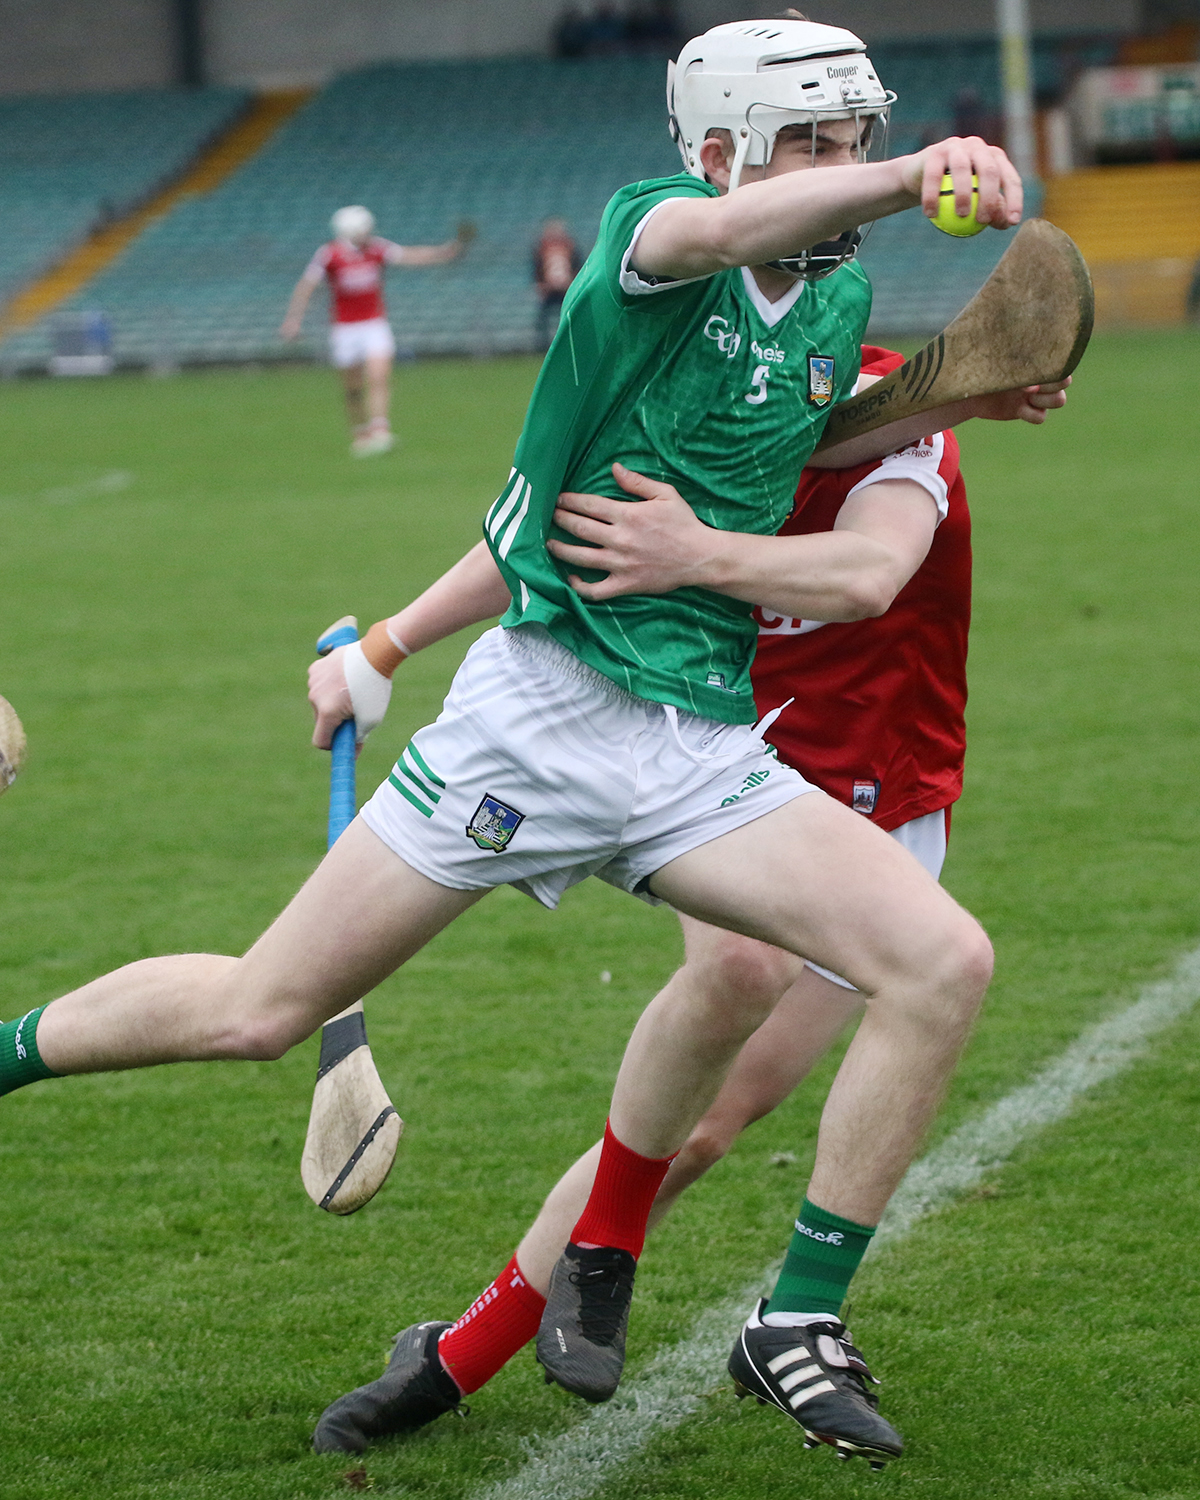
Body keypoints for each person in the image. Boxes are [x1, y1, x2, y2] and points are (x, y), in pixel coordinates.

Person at [0, 17, 1058, 1466]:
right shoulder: (653, 232)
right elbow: (736, 230)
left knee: (944, 959)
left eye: (855, 137)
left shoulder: (832, 302)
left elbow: (791, 434)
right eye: (812, 141)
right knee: (259, 1008)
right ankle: (6, 1054)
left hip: (699, 746)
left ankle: (796, 1314)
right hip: (537, 722)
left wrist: (950, 398)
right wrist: (906, 180)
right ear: (724, 149)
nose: (843, 166)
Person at [307, 347, 1042, 1462]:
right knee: (734, 980)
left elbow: (864, 575)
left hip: (878, 806)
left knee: (706, 1127)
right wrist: (388, 641)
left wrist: (700, 550)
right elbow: (542, 545)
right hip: (729, 779)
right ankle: (467, 1351)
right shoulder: (685, 400)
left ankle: (756, 1324)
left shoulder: (895, 409)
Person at [280, 205, 467, 457]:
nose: (369, 232)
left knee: (379, 377)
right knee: (353, 387)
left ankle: (380, 430)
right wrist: (293, 320)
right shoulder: (329, 254)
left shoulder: (377, 248)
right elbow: (307, 286)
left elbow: (410, 255)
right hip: (344, 329)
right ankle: (360, 432)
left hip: (374, 323)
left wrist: (443, 253)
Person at [532, 218, 581, 351]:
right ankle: (543, 347)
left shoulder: (569, 246)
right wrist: (540, 284)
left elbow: (578, 265)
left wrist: (573, 283)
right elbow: (537, 267)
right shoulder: (542, 247)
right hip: (550, 290)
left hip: (565, 289)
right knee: (543, 319)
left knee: (570, 317)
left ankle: (572, 343)